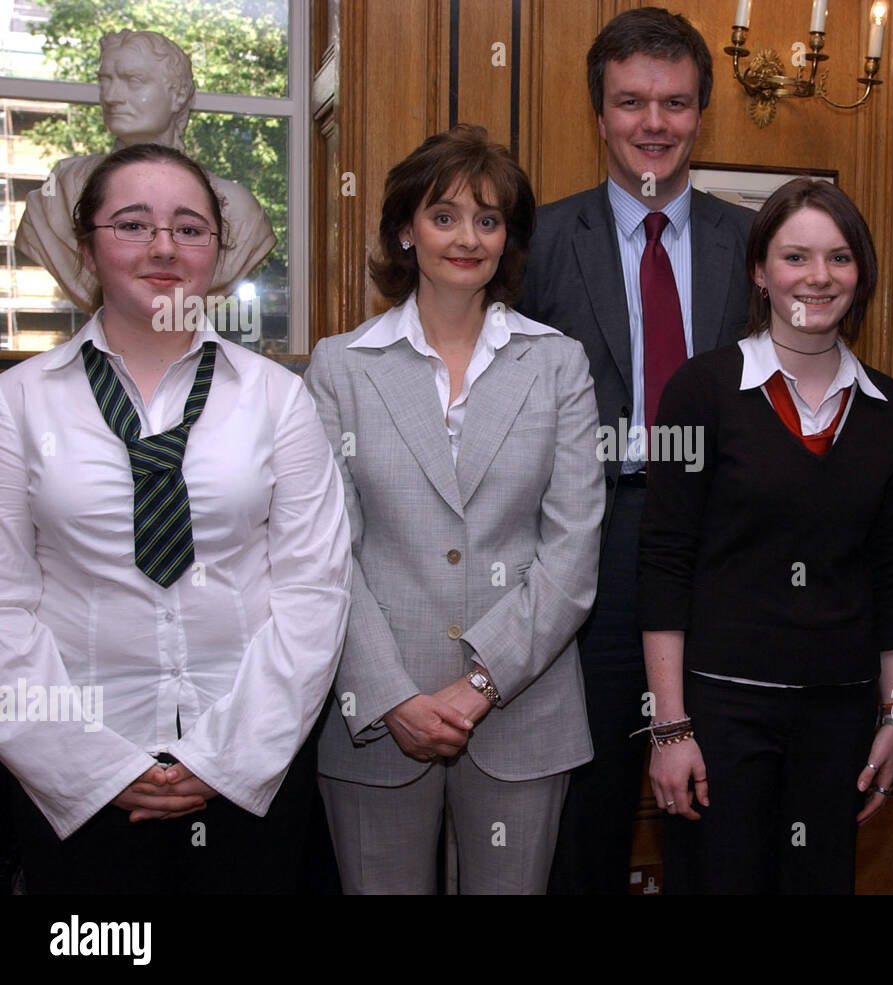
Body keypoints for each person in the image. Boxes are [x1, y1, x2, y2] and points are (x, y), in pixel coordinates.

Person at [0, 142, 351, 893]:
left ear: (215, 254)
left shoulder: (277, 398)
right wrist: (92, 768)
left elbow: (312, 592)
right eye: (133, 223)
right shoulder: (20, 403)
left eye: (189, 227)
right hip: (76, 783)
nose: (164, 245)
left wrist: (224, 758)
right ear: (87, 247)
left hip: (247, 776)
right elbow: (4, 605)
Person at [307, 125, 603, 895]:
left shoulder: (559, 363)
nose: (467, 237)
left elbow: (571, 553)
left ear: (509, 239)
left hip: (523, 708)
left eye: (489, 218)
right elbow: (325, 554)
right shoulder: (341, 367)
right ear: (405, 229)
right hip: (376, 713)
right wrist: (396, 695)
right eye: (444, 215)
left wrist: (478, 685)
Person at [517, 5, 754, 895]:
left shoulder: (751, 245)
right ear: (600, 113)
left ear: (700, 113)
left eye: (676, 103)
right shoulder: (538, 241)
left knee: (720, 789)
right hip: (595, 545)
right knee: (594, 801)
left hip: (730, 551)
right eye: (631, 103)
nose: (655, 124)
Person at [637, 177, 893, 894]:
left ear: (861, 272)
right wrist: (670, 728)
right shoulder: (699, 391)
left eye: (839, 257)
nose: (819, 277)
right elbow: (665, 563)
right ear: (760, 274)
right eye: (795, 257)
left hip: (840, 719)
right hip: (721, 717)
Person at [16, 29, 274, 314]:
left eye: (133, 81)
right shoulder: (62, 188)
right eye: (105, 81)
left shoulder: (238, 208)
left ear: (177, 96)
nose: (112, 97)